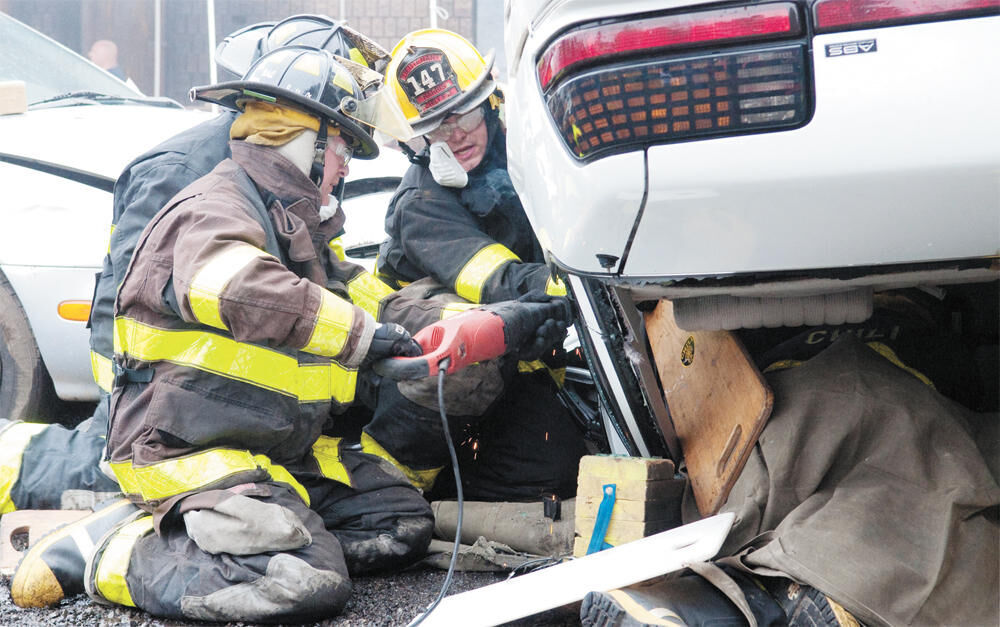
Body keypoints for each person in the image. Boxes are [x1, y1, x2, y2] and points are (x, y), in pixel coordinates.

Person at [0, 13, 388, 517]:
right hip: (161, 391)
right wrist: (136, 401)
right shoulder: (186, 170)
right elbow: (135, 296)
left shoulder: (272, 167)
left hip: (230, 395)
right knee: (101, 474)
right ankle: (14, 464)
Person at [579, 291, 1000, 626]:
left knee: (767, 501)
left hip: (790, 416)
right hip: (872, 407)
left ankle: (706, 606)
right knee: (924, 493)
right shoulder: (940, 349)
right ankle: (768, 602)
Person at [361, 29, 589, 502]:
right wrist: (582, 284)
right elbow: (497, 282)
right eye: (436, 125)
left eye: (462, 110)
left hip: (515, 361)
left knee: (554, 475)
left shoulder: (524, 157)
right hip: (435, 372)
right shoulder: (421, 205)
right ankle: (399, 493)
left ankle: (458, 488)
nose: (456, 132)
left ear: (490, 102)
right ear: (416, 142)